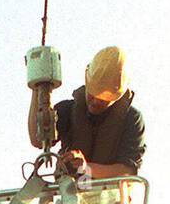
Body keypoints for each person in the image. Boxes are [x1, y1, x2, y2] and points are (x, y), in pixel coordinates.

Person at [45, 46, 146, 184]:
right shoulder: (67, 111)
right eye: (92, 94)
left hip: (111, 200)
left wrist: (86, 168)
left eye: (104, 99)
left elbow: (128, 170)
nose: (95, 101)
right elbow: (38, 140)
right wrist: (38, 89)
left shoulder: (132, 119)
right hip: (68, 197)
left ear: (118, 97)